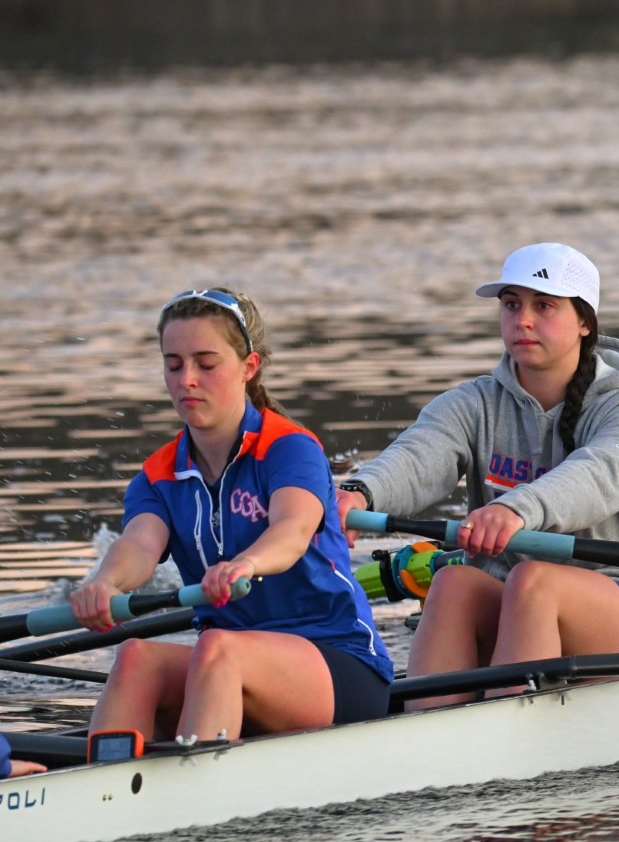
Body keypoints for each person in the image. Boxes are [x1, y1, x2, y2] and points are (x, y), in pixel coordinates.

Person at [336, 244, 619, 707]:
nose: (522, 320)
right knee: (454, 582)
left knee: (535, 581)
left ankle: (506, 753)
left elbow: (602, 471)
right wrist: (359, 493)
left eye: (543, 305)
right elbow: (418, 454)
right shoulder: (474, 405)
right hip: (519, 607)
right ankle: (424, 739)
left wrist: (514, 508)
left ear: (585, 322)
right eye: (511, 305)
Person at [72, 288, 392, 744]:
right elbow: (139, 545)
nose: (187, 380)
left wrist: (247, 563)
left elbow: (293, 529)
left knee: (218, 647)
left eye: (206, 363)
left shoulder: (289, 448)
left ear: (249, 367)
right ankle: (101, 793)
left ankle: (196, 799)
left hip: (337, 662)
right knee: (135, 657)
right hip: (224, 664)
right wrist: (104, 583)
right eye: (174, 364)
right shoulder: (157, 476)